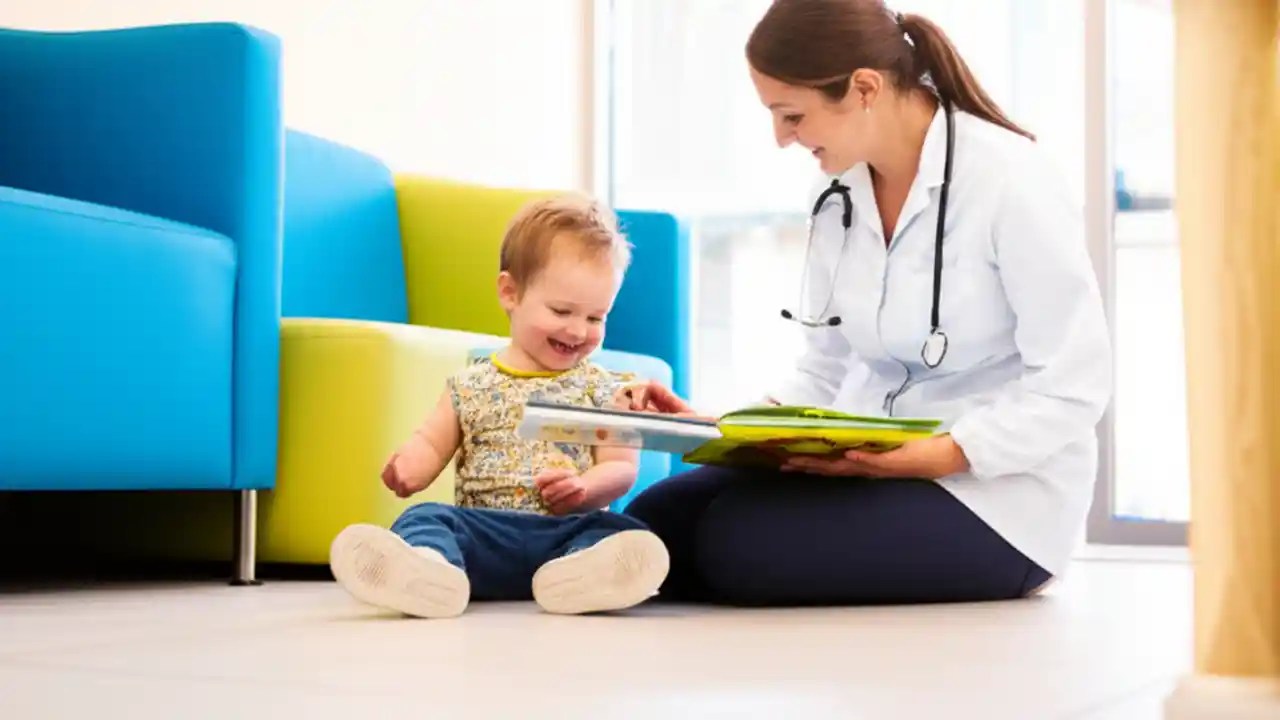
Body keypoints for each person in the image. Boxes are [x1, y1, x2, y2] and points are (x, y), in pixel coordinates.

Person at [618, 0, 1112, 606]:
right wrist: (726, 429)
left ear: (865, 88)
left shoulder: (1011, 179)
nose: (781, 138)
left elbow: (1072, 385)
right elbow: (824, 371)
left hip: (998, 494)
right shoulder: (838, 191)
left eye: (792, 115)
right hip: (870, 461)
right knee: (651, 519)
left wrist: (936, 455)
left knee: (735, 545)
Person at [329, 195, 670, 618]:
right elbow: (432, 442)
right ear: (510, 293)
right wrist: (410, 468)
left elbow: (620, 467)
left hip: (564, 533)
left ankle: (582, 578)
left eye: (595, 318)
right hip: (482, 536)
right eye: (561, 311)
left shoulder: (606, 390)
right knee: (426, 517)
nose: (578, 331)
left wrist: (584, 489)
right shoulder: (469, 384)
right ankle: (433, 571)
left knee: (620, 529)